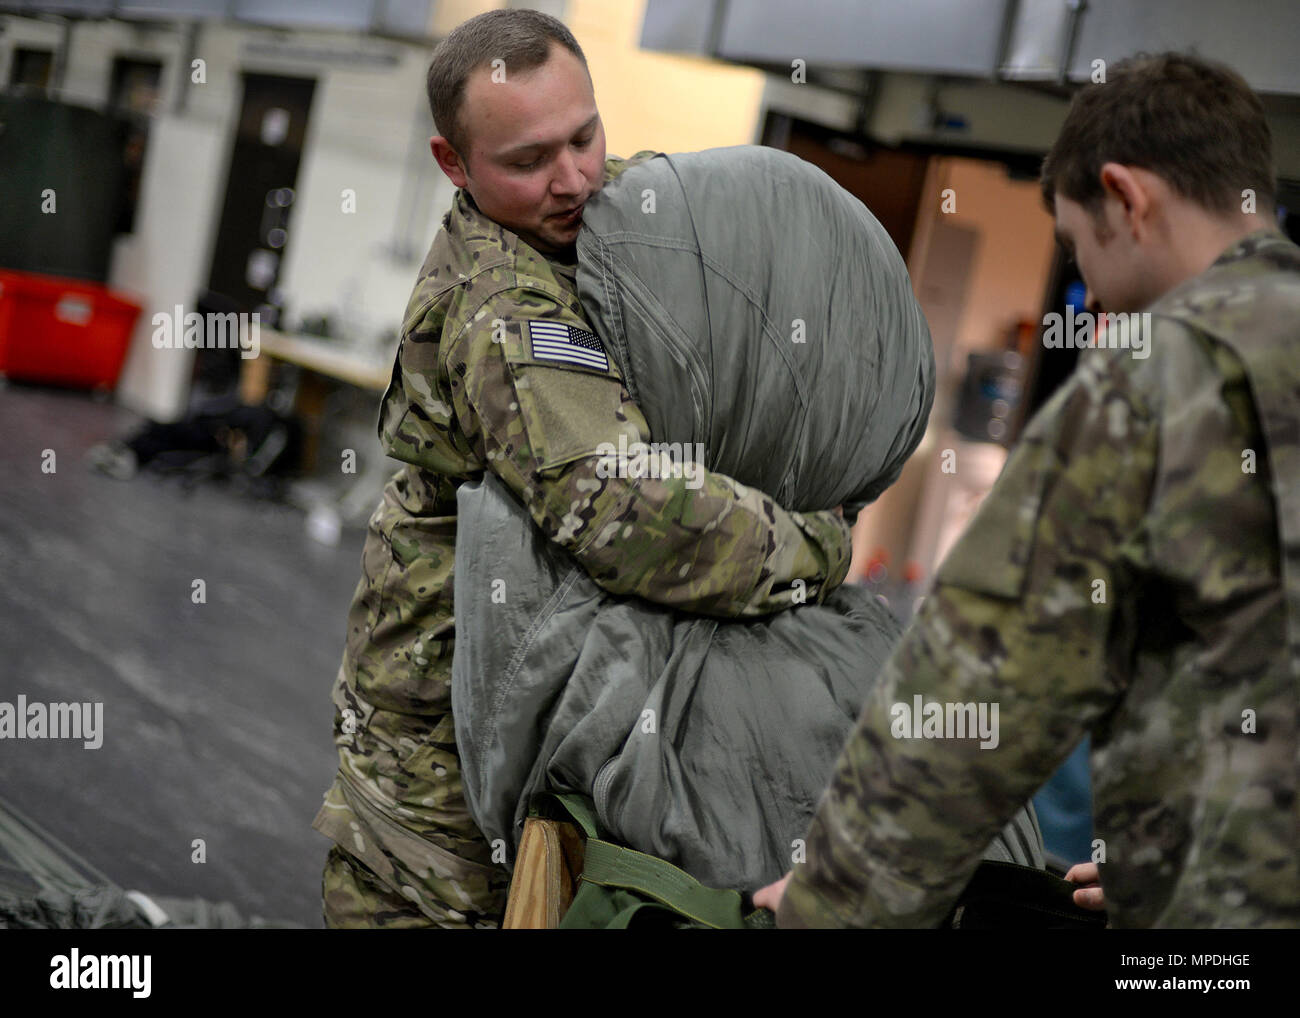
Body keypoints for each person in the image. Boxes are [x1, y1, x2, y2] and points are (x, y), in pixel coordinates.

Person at [312, 8, 852, 929]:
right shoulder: (505, 314)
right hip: (439, 781)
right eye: (527, 160)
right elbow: (622, 513)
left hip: (528, 728)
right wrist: (810, 548)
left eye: (585, 137)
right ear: (455, 165)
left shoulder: (597, 212)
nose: (572, 180)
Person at [755, 51, 1300, 928]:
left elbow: (977, 691)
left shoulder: (1160, 381)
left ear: (1127, 198)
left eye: (1082, 252)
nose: (1091, 302)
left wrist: (832, 901)